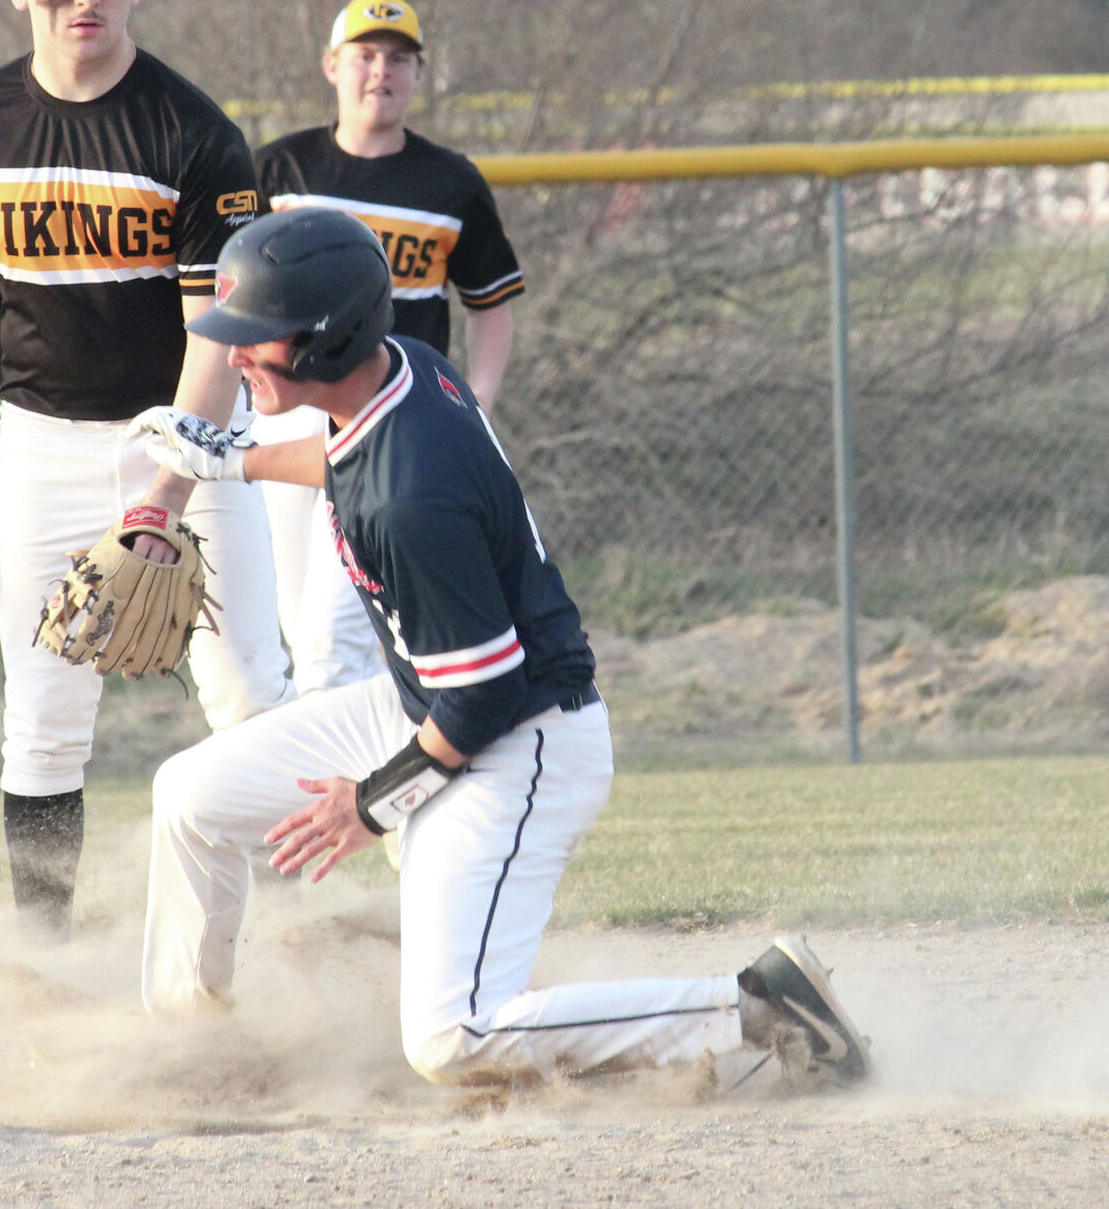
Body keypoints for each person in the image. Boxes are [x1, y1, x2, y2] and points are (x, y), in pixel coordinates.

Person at [124, 207, 871, 1089]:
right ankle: (193, 1044)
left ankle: (760, 1012)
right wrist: (228, 460)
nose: (233, 354)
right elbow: (347, 460)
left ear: (326, 340)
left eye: (255, 334)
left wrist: (369, 808)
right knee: (190, 796)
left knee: (452, 1038)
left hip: (521, 743)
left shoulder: (413, 501)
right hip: (431, 703)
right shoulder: (405, 368)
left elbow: (484, 695)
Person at [0, 0, 293, 943]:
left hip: (188, 443)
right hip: (39, 447)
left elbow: (217, 338)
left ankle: (300, 942)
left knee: (249, 697)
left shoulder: (193, 133)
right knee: (42, 720)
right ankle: (46, 961)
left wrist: (162, 497)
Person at [251, 0, 523, 698]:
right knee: (300, 622)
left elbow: (491, 304)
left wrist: (479, 398)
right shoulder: (279, 170)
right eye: (366, 55)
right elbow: (235, 294)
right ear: (331, 65)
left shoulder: (449, 182)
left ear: (419, 74)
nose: (382, 71)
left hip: (389, 423)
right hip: (287, 412)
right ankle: (386, 743)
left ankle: (363, 760)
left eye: (399, 59)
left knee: (332, 638)